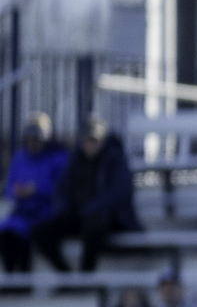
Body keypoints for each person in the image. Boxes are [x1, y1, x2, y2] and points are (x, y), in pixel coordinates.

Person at [31, 116, 140, 273]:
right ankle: (66, 276)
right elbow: (61, 188)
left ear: (102, 141)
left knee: (93, 227)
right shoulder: (75, 160)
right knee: (39, 232)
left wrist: (91, 208)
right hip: (79, 216)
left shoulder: (115, 160)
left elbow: (118, 194)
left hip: (109, 219)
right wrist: (64, 209)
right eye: (87, 140)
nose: (90, 145)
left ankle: (85, 276)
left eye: (94, 140)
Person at [1, 113, 65, 273]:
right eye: (30, 138)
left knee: (26, 234)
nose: (33, 143)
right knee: (7, 232)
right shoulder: (19, 157)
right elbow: (10, 187)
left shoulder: (58, 158)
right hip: (22, 212)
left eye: (37, 139)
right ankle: (13, 279)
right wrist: (17, 191)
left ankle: (24, 279)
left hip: (46, 212)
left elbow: (62, 188)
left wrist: (36, 190)